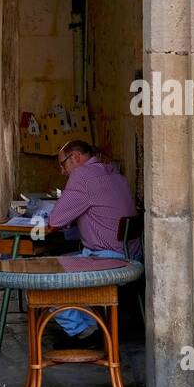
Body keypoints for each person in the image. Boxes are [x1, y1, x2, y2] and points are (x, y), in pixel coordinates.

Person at [44, 140, 139, 344]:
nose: (62, 171)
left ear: (76, 157)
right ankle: (93, 326)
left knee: (46, 279)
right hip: (131, 255)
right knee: (70, 259)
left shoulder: (82, 176)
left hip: (107, 258)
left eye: (63, 164)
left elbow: (54, 222)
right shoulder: (113, 173)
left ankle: (83, 332)